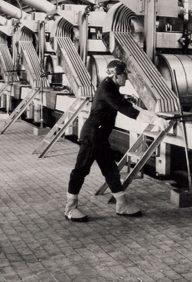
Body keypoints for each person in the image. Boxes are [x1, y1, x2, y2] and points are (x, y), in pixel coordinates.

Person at [66, 59, 154, 221]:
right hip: (92, 135)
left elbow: (125, 103)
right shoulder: (107, 89)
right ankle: (70, 208)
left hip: (100, 136)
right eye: (124, 75)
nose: (126, 78)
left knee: (111, 170)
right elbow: (124, 107)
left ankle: (122, 205)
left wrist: (151, 116)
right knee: (81, 169)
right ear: (116, 75)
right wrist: (153, 120)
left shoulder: (111, 86)